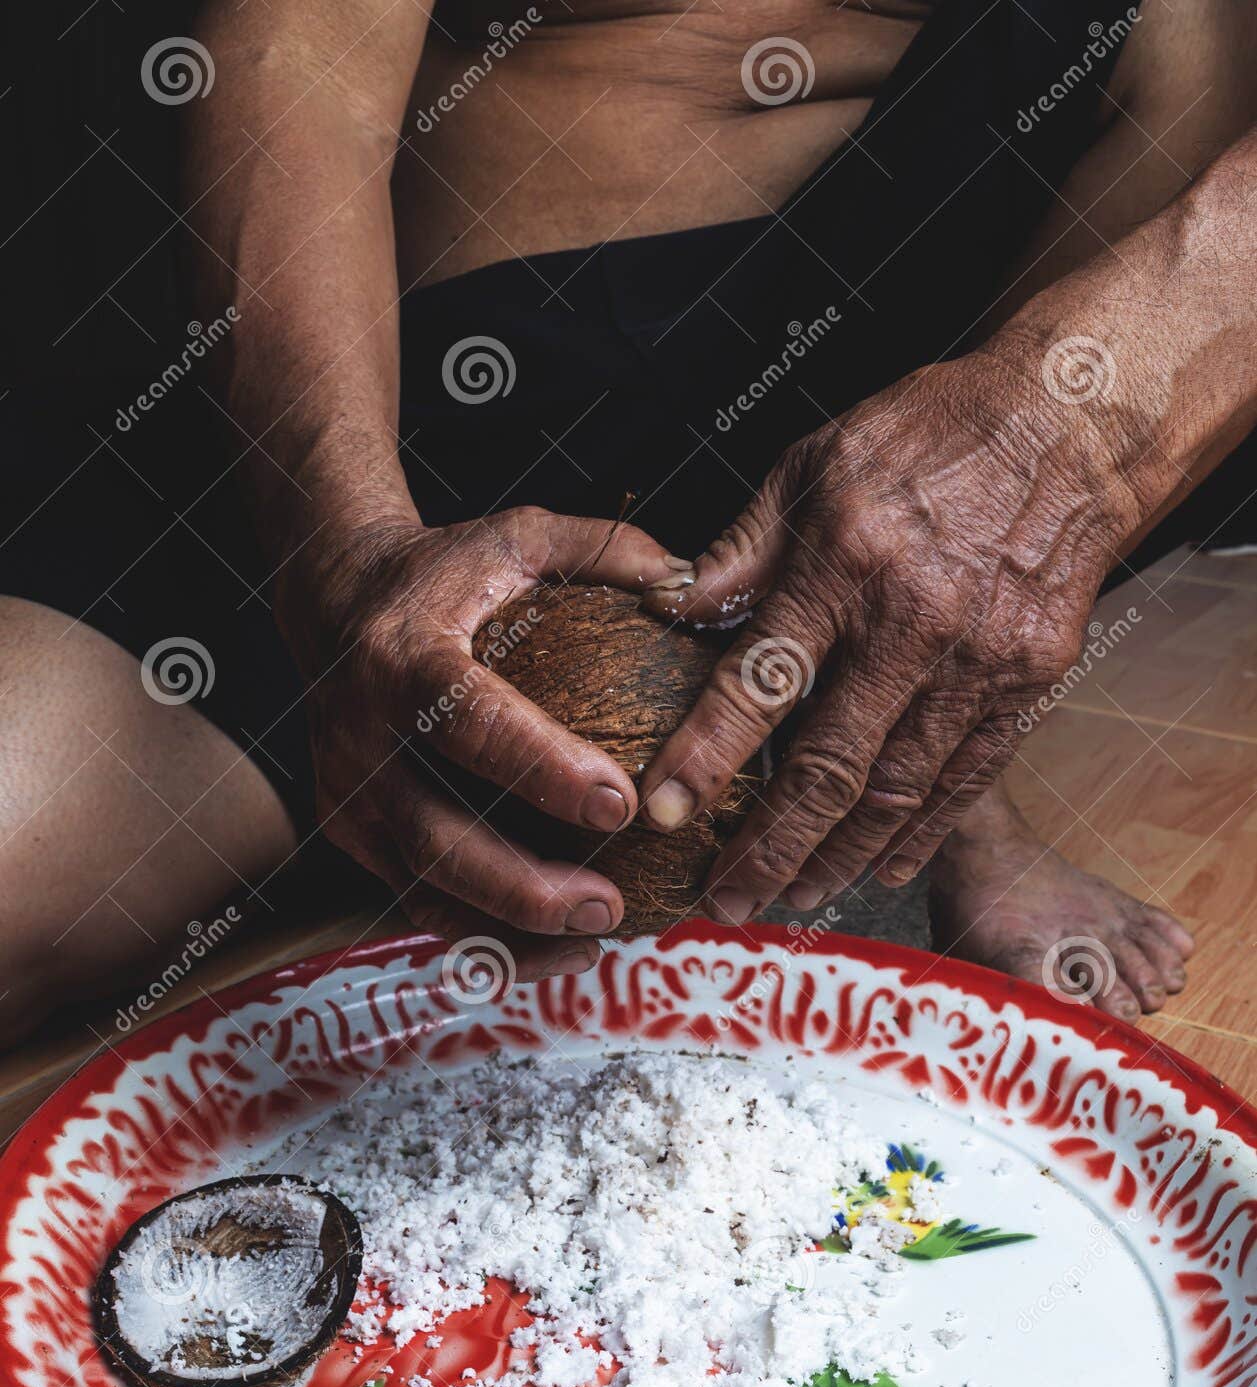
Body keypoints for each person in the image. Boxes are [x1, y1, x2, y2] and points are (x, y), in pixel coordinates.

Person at [3, 0, 1254, 1045]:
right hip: (370, 441)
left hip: (801, 496)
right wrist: (346, 553)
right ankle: (399, 740)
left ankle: (934, 762)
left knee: (1198, 23)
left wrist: (1050, 449)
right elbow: (297, 61)